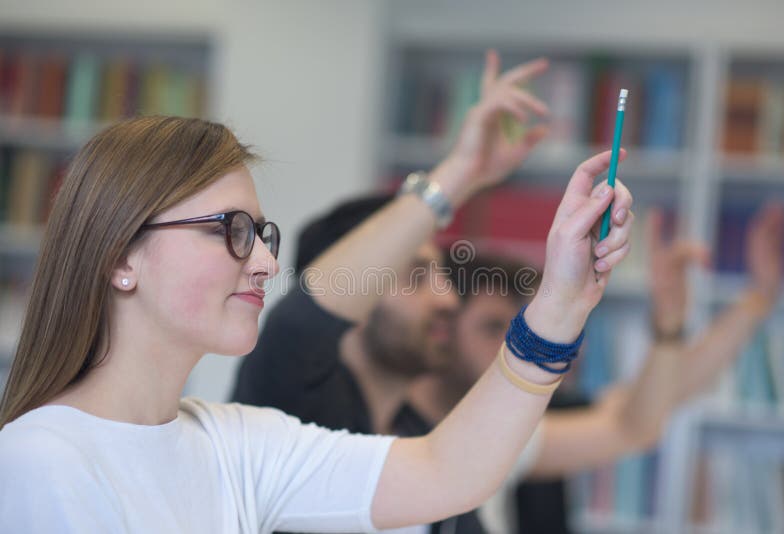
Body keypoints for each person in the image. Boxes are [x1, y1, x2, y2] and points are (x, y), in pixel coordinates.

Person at [0, 55, 634, 534]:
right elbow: (311, 316)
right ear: (118, 258)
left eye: (263, 233)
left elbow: (449, 471)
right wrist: (458, 175)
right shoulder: (41, 460)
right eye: (233, 231)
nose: (267, 261)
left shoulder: (235, 444)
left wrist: (560, 303)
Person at [406, 202, 784, 533]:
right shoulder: (392, 441)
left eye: (513, 327)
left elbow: (643, 413)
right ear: (441, 331)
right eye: (491, 328)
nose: (509, 346)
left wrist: (748, 304)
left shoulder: (511, 426)